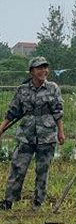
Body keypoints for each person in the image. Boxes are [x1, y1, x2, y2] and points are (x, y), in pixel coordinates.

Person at [0, 57, 64, 210]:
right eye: (39, 68)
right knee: (17, 166)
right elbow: (12, 111)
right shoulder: (22, 90)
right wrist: (1, 128)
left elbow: (58, 112)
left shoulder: (53, 88)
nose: (43, 71)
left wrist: (60, 132)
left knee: (42, 170)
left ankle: (38, 202)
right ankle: (9, 200)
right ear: (31, 72)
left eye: (45, 68)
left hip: (47, 135)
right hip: (26, 135)